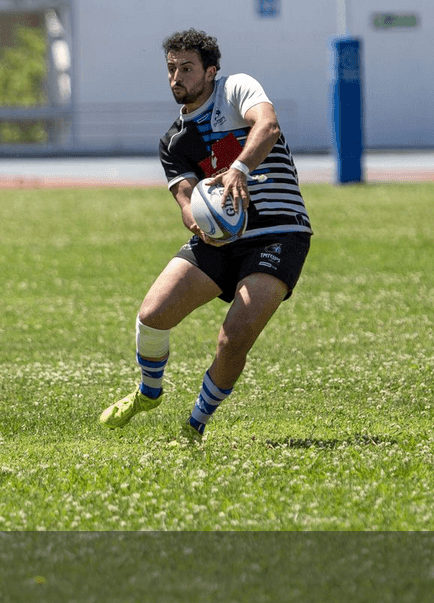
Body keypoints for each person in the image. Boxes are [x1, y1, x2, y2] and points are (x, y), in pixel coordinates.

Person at [98, 29, 312, 442]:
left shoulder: (236, 89)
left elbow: (266, 127)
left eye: (187, 68)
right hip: (221, 238)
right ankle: (148, 392)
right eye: (171, 69)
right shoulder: (174, 141)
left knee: (232, 339)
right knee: (152, 315)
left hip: (279, 233)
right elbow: (185, 201)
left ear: (211, 70)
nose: (177, 77)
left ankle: (194, 425)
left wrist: (239, 169)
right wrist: (198, 223)